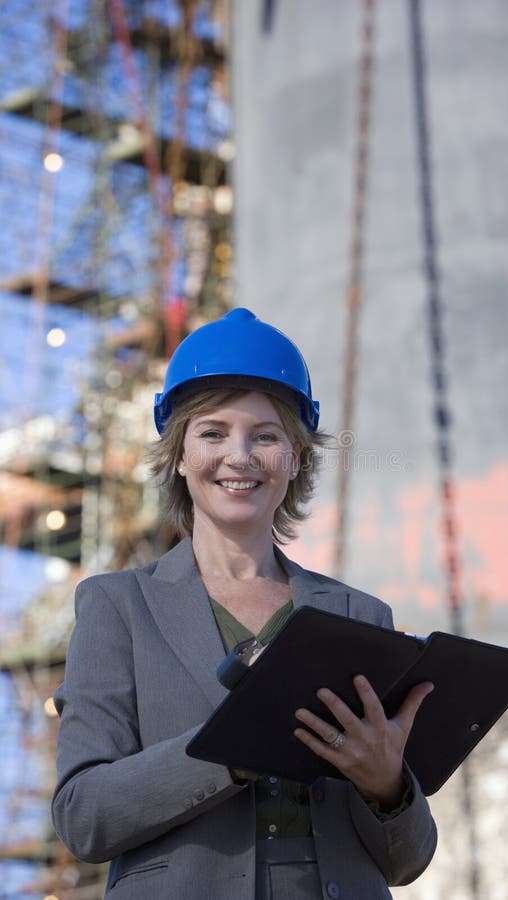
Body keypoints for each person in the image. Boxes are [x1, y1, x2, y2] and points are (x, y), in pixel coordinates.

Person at [52, 307, 437, 900]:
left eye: (266, 435)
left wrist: (387, 784)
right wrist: (234, 746)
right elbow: (84, 817)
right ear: (179, 456)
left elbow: (406, 862)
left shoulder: (361, 618)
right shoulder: (118, 608)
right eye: (212, 433)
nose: (241, 456)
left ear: (295, 458)